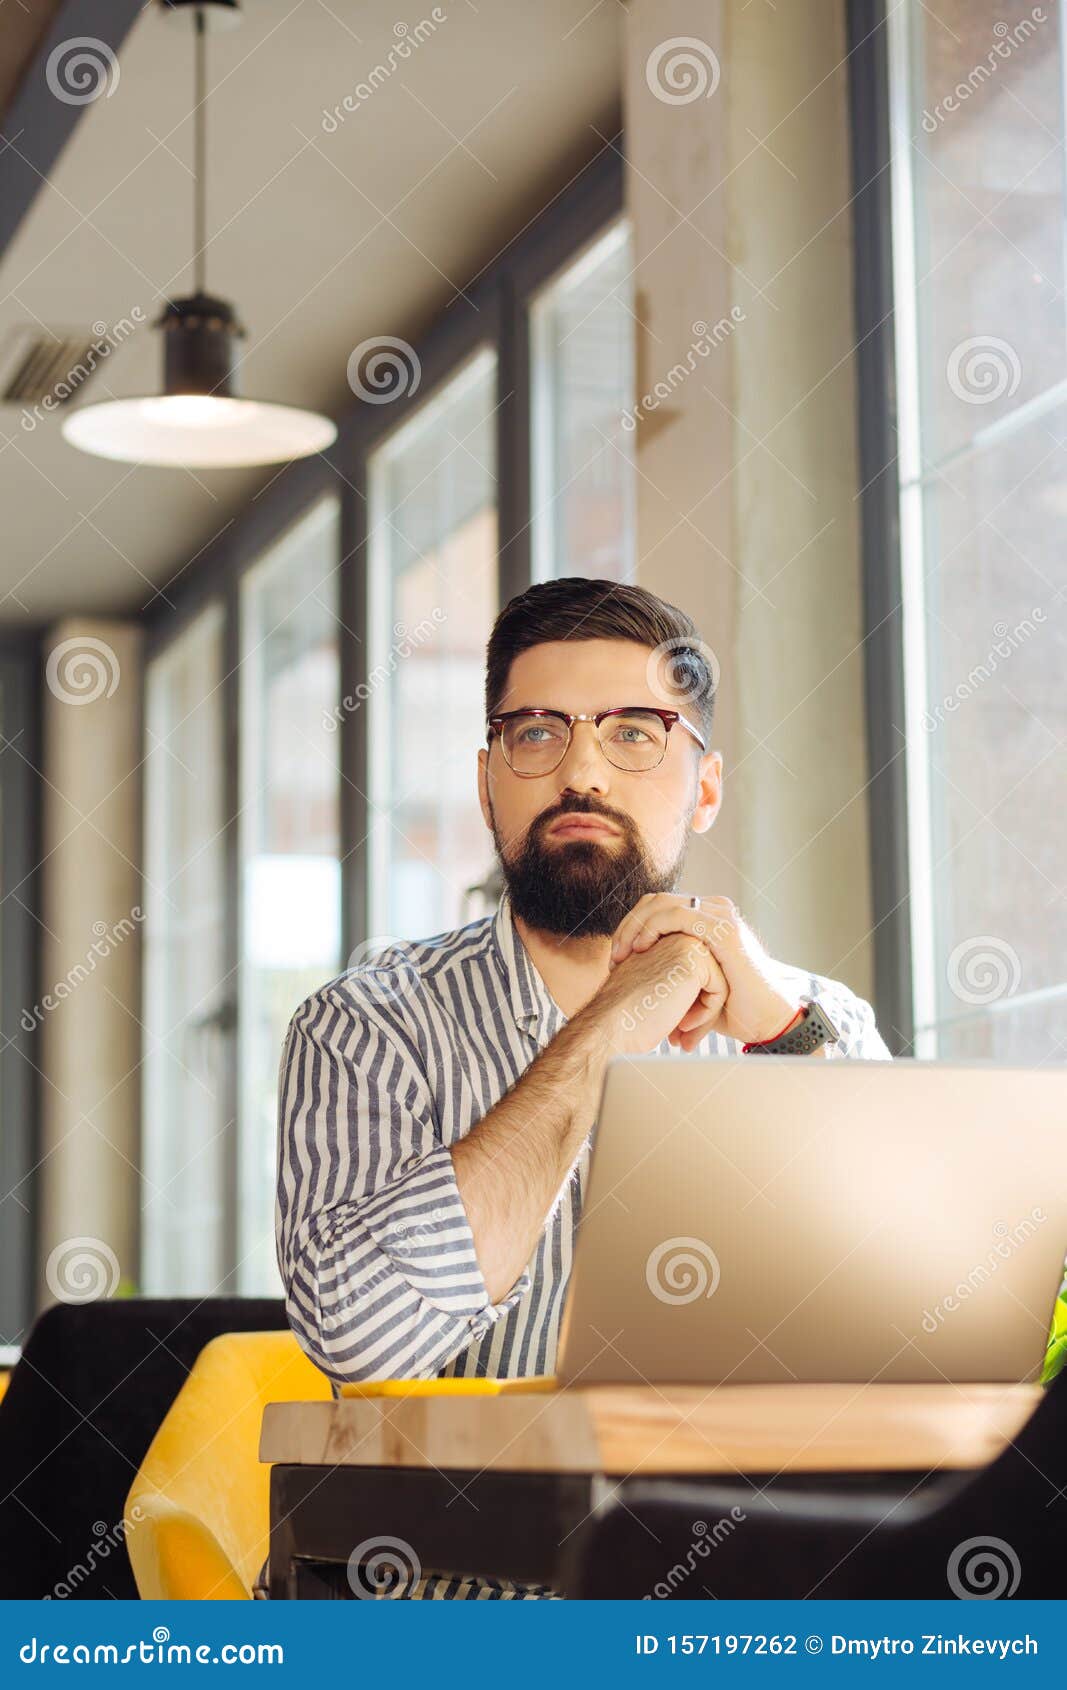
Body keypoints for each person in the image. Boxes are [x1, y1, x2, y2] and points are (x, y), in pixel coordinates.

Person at [274, 577, 891, 1599]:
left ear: (702, 785)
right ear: (486, 782)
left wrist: (782, 1034)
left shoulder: (811, 1019)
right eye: (535, 733)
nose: (581, 771)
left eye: (635, 733)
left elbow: (906, 1330)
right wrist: (620, 1017)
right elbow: (361, 1335)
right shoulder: (364, 1022)